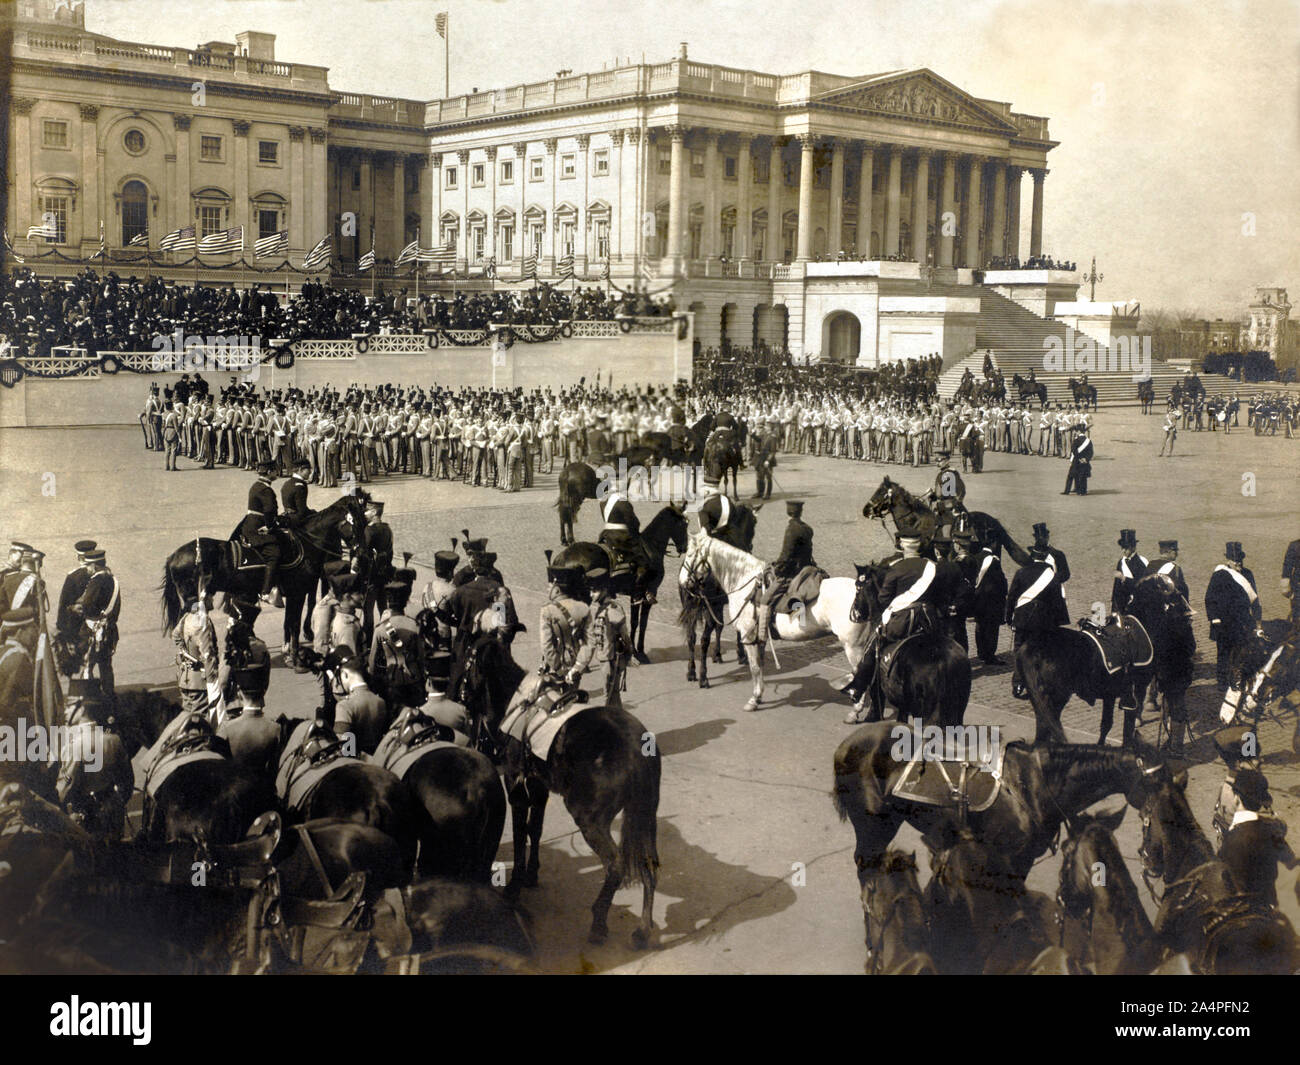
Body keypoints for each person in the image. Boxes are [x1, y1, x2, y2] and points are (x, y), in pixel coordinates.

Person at [1217, 769, 1297, 908]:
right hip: (1271, 907)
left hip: (1243, 911)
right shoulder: (1272, 831)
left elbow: (1224, 880)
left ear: (1236, 798)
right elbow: (1291, 863)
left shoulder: (1231, 838)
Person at [1006, 538, 1070, 699]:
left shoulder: (1021, 572)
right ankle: (1039, 682)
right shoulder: (1052, 576)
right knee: (1041, 651)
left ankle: (1018, 684)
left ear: (1033, 554)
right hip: (1043, 621)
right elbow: (1057, 603)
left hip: (1022, 619)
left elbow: (1012, 597)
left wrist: (1008, 617)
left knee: (1019, 650)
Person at [1205, 541, 1262, 691]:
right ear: (1228, 560)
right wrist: (1215, 619)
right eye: (1235, 560)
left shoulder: (1248, 573)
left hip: (1243, 620)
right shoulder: (1220, 575)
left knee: (1243, 651)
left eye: (1240, 560)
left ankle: (1240, 679)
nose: (1238, 563)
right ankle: (1222, 682)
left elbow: (1255, 598)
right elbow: (1210, 598)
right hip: (1224, 622)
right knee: (1224, 653)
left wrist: (1257, 618)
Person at [71, 547, 120, 697]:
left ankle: (89, 700)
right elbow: (116, 607)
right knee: (106, 667)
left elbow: (87, 606)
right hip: (109, 631)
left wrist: (74, 608)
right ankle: (110, 698)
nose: (87, 569)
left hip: (92, 631)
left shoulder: (96, 581)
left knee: (88, 666)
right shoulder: (113, 580)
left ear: (94, 566)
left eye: (88, 566)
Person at [238, 462, 282, 607]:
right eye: (275, 470)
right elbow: (269, 511)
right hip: (257, 527)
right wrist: (270, 527)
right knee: (274, 553)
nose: (277, 472)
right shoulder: (265, 490)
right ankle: (266, 591)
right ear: (269, 472)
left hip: (250, 523)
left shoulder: (257, 485)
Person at [587, 568, 633, 709]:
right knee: (612, 696)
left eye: (594, 591)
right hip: (604, 659)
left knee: (609, 694)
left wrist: (628, 655)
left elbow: (624, 636)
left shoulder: (612, 609)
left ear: (605, 590)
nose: (591, 595)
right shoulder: (602, 608)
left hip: (612, 660)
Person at [331, 652, 391, 755]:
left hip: (358, 763)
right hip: (378, 758)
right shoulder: (380, 702)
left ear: (345, 674)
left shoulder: (344, 706)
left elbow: (345, 749)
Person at [173, 592, 220, 720]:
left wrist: (184, 653)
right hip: (199, 681)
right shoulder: (203, 622)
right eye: (210, 596)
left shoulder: (186, 617)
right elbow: (208, 652)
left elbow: (176, 634)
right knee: (199, 721)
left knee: (187, 718)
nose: (212, 598)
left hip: (185, 679)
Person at [1110, 529, 1148, 614]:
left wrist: (1124, 578)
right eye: (1122, 547)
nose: (1123, 550)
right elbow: (1117, 587)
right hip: (1122, 604)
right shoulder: (1121, 562)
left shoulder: (1141, 563)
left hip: (1137, 605)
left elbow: (1142, 586)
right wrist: (1114, 608)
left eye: (1126, 548)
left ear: (1133, 547)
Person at [1153, 539, 1191, 603]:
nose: (1177, 554)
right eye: (1175, 551)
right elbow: (1182, 590)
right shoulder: (1175, 568)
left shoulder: (1151, 565)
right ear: (1168, 551)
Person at [1062, 425, 1093, 495]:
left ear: (1079, 431)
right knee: (1083, 477)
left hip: (1076, 461)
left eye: (1076, 431)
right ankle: (1082, 491)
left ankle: (1067, 491)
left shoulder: (1076, 440)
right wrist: (1086, 459)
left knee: (1071, 476)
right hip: (1084, 461)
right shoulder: (1088, 440)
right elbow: (1091, 452)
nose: (1075, 432)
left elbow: (1074, 451)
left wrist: (1078, 458)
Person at [753, 418, 779, 500]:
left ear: (771, 427)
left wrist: (768, 460)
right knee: (759, 475)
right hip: (761, 457)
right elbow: (758, 439)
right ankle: (760, 492)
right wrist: (753, 435)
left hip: (768, 458)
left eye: (768, 426)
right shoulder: (764, 434)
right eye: (766, 426)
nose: (766, 427)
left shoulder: (773, 437)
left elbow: (773, 451)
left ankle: (768, 494)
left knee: (768, 476)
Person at [1281, 537, 1300, 627]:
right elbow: (1287, 566)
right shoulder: (1295, 546)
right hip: (1298, 587)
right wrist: (1285, 584)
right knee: (1297, 615)